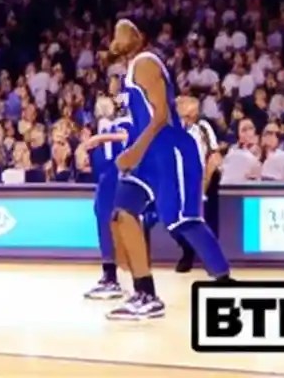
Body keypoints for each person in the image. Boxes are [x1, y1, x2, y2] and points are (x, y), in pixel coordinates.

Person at [105, 19, 232, 321]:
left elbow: (161, 115)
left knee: (182, 222)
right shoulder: (127, 73)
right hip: (146, 154)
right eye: (117, 30)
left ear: (140, 38)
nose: (121, 34)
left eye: (128, 30)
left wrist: (135, 151)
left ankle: (224, 281)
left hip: (168, 150)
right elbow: (142, 119)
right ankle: (144, 292)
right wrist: (131, 147)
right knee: (122, 213)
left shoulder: (146, 62)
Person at [79, 93, 132, 299]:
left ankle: (113, 278)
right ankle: (109, 274)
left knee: (108, 221)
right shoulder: (102, 124)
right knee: (102, 219)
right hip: (105, 175)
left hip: (114, 175)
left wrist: (99, 138)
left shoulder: (123, 121)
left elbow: (129, 137)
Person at [175, 94, 222, 273]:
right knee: (178, 221)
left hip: (205, 176)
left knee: (208, 220)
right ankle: (187, 252)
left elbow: (214, 157)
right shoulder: (171, 129)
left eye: (194, 112)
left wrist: (204, 183)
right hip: (180, 179)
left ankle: (212, 260)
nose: (192, 115)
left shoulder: (203, 127)